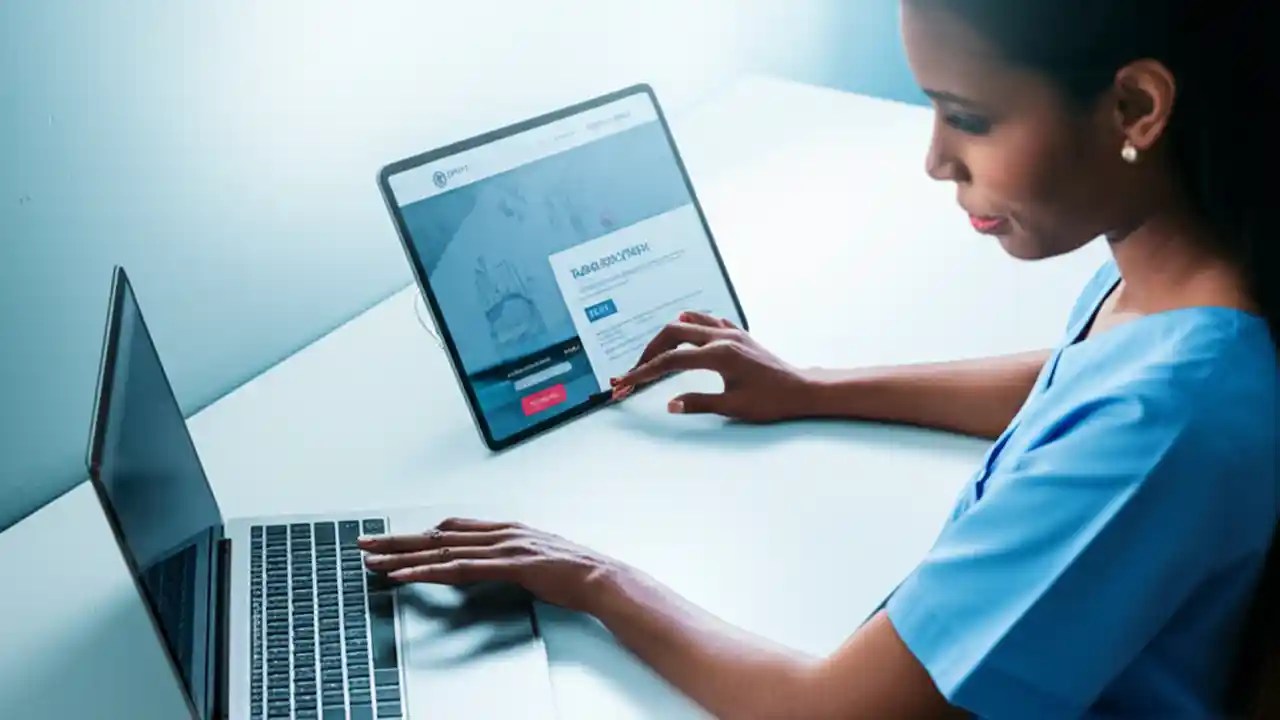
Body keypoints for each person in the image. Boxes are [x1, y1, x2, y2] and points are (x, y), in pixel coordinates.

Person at [360, 0, 1280, 716]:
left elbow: (832, 713)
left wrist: (593, 580)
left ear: (1135, 106)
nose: (934, 159)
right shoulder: (1194, 280)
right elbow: (1080, 378)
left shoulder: (1166, 417)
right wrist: (810, 387)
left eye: (968, 117)